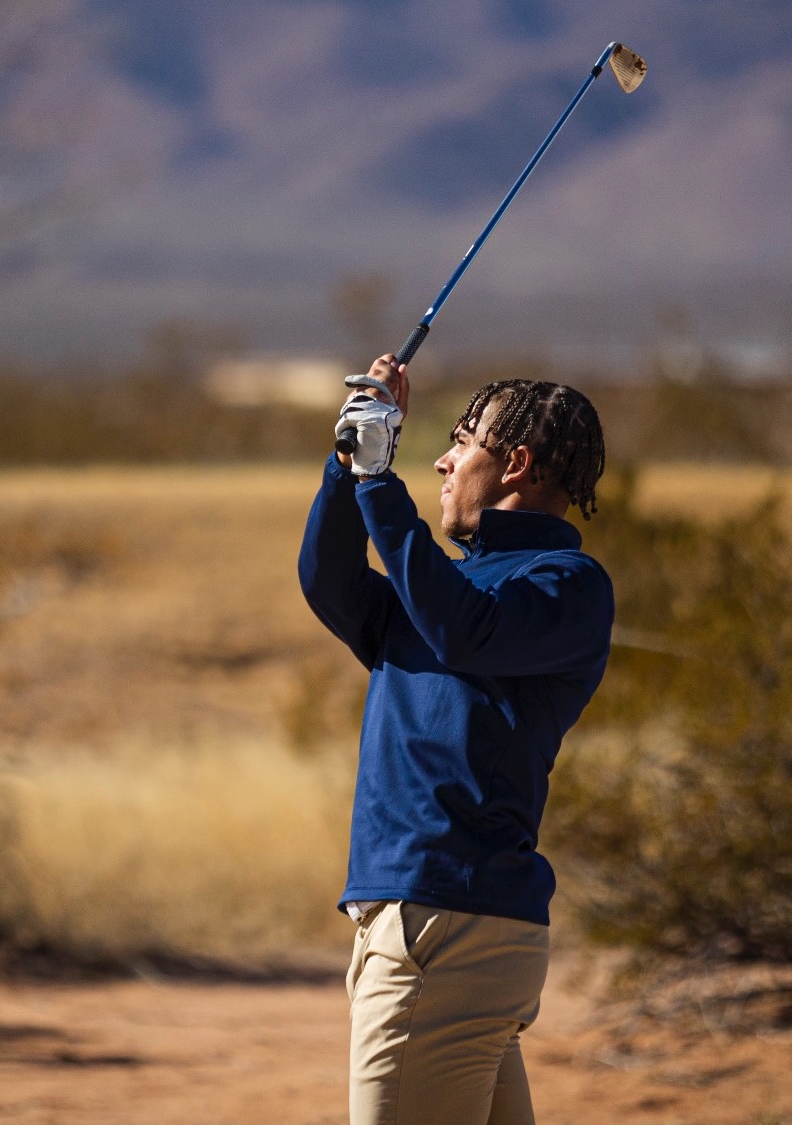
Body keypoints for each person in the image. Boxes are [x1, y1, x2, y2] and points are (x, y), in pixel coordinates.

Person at [298, 353, 614, 1125]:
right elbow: (329, 581)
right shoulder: (440, 585)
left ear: (518, 465)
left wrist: (382, 481)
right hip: (446, 927)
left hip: (445, 925)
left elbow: (462, 631)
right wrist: (349, 464)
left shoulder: (564, 585)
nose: (440, 459)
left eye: (461, 442)